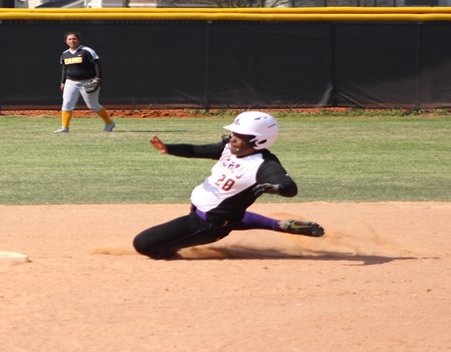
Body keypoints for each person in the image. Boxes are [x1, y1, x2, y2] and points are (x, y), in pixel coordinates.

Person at [132, 111, 323, 259]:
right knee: (231, 215)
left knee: (143, 244)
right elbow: (197, 150)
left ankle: (173, 249)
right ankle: (279, 225)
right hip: (213, 215)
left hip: (207, 225)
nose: (233, 138)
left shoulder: (265, 165)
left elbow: (289, 186)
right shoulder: (229, 149)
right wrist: (168, 148)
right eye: (233, 133)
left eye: (240, 136)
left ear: (260, 140)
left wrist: (277, 188)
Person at [54, 31, 115, 133]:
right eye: (69, 39)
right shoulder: (65, 54)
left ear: (78, 40)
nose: (72, 41)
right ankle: (65, 127)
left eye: (74, 39)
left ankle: (109, 123)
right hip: (71, 82)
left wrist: (98, 78)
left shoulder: (87, 51)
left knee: (93, 106)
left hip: (88, 81)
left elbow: (97, 64)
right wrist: (63, 82)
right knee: (67, 104)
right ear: (65, 41)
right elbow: (64, 68)